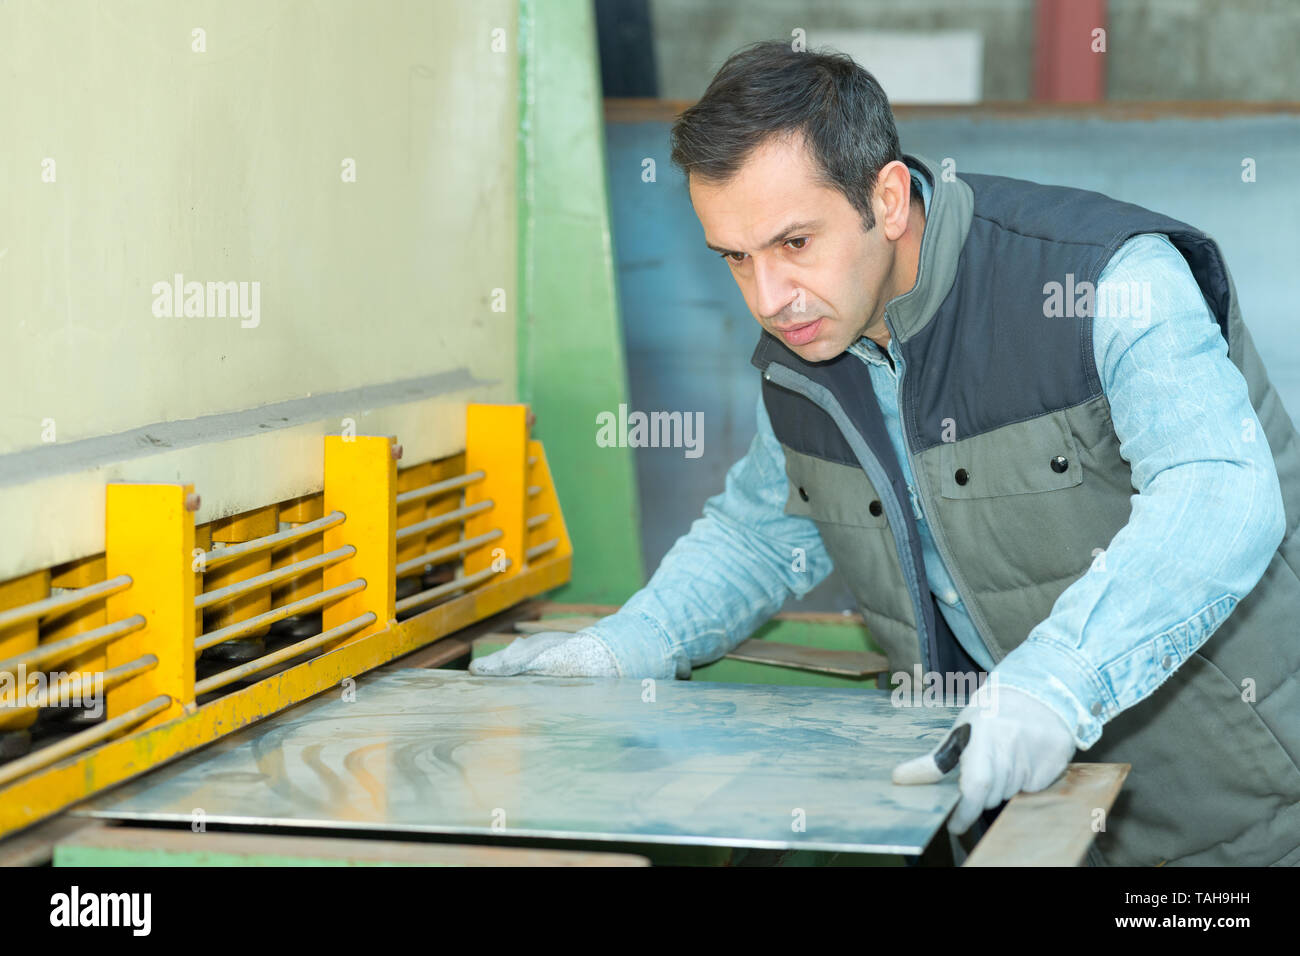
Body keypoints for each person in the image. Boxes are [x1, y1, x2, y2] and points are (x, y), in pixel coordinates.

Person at [474, 40, 1300, 866]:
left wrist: (1059, 679)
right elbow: (764, 531)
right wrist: (630, 643)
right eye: (735, 258)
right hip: (1026, 824)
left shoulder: (1107, 282)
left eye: (794, 243)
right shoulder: (812, 353)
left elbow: (1221, 491)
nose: (768, 299)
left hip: (1245, 821)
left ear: (890, 198)